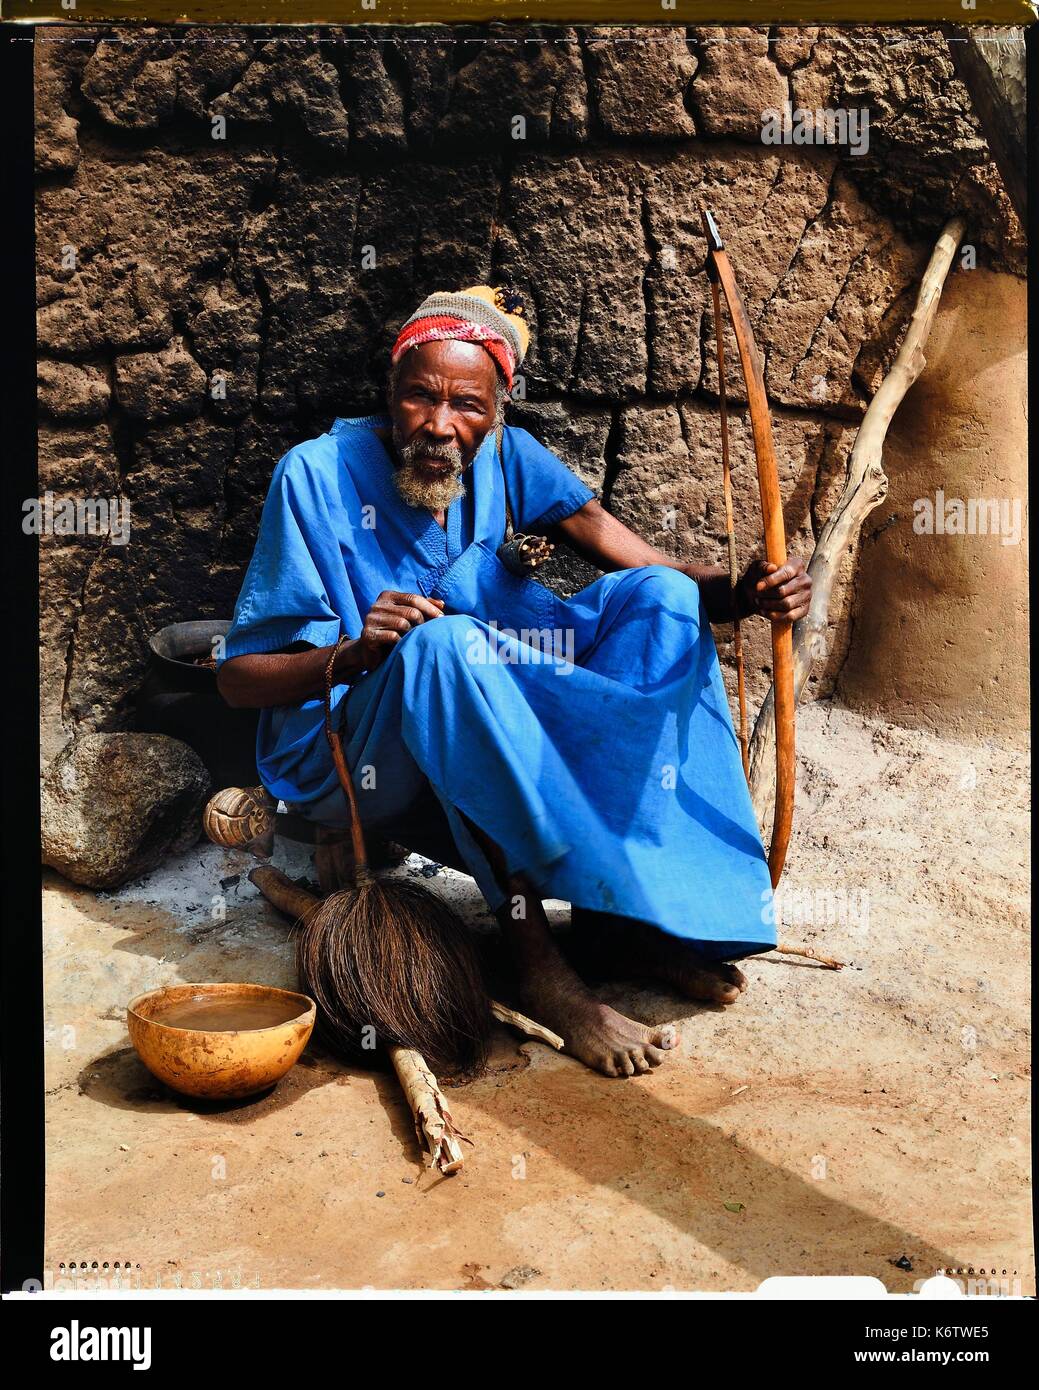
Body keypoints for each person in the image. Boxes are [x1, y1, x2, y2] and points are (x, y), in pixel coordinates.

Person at [216, 285, 812, 1078]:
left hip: (481, 736)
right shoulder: (314, 476)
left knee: (657, 602)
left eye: (466, 404)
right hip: (347, 761)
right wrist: (352, 655)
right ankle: (539, 968)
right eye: (418, 396)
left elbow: (653, 567)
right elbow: (238, 681)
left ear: (498, 409)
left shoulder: (507, 457)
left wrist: (741, 592)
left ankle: (619, 920)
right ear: (388, 392)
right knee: (443, 648)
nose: (437, 425)